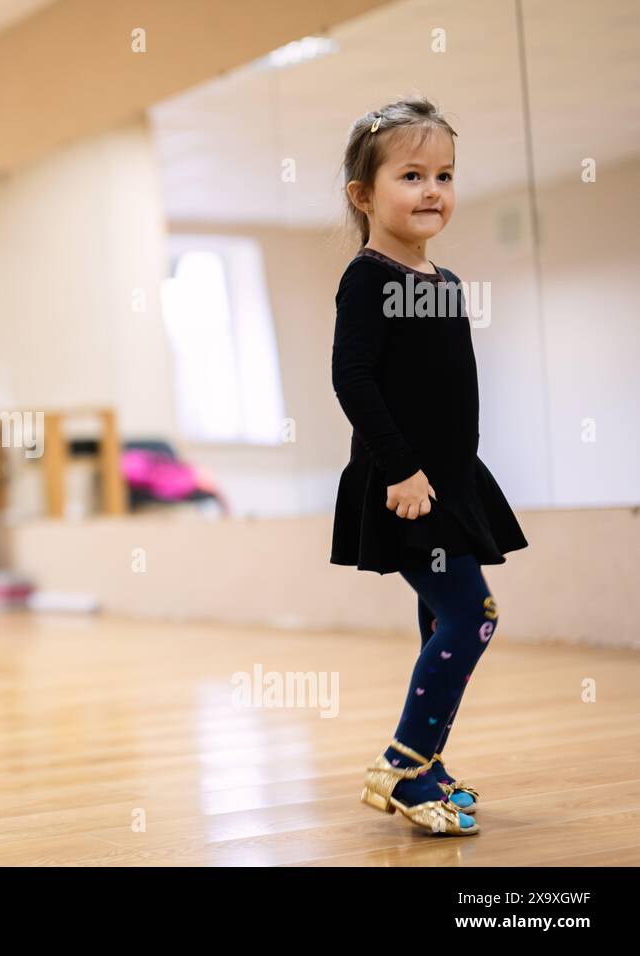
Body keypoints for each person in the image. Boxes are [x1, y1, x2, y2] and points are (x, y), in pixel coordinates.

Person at [330, 97, 528, 836]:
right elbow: (353, 379)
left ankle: (430, 764)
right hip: (406, 484)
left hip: (449, 479)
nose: (432, 190)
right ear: (364, 195)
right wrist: (403, 471)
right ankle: (403, 765)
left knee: (437, 622)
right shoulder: (368, 277)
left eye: (444, 174)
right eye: (411, 175)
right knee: (471, 616)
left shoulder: (441, 279)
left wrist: (447, 470)